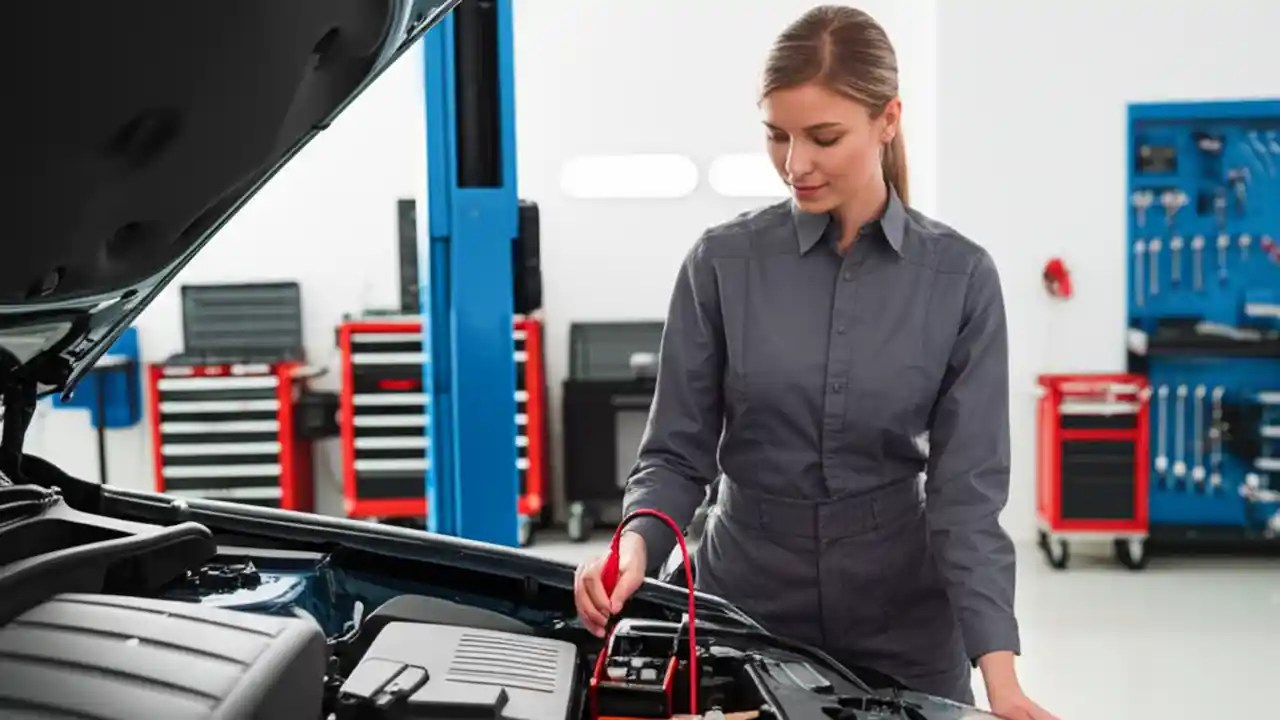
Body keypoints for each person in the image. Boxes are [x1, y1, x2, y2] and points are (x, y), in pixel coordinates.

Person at [573, 5, 1057, 719]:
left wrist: (1001, 680)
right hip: (745, 612)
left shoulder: (960, 280)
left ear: (887, 120)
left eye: (823, 137)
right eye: (777, 135)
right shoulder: (721, 264)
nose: (795, 164)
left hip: (907, 624)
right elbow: (676, 456)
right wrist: (636, 545)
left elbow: (966, 501)